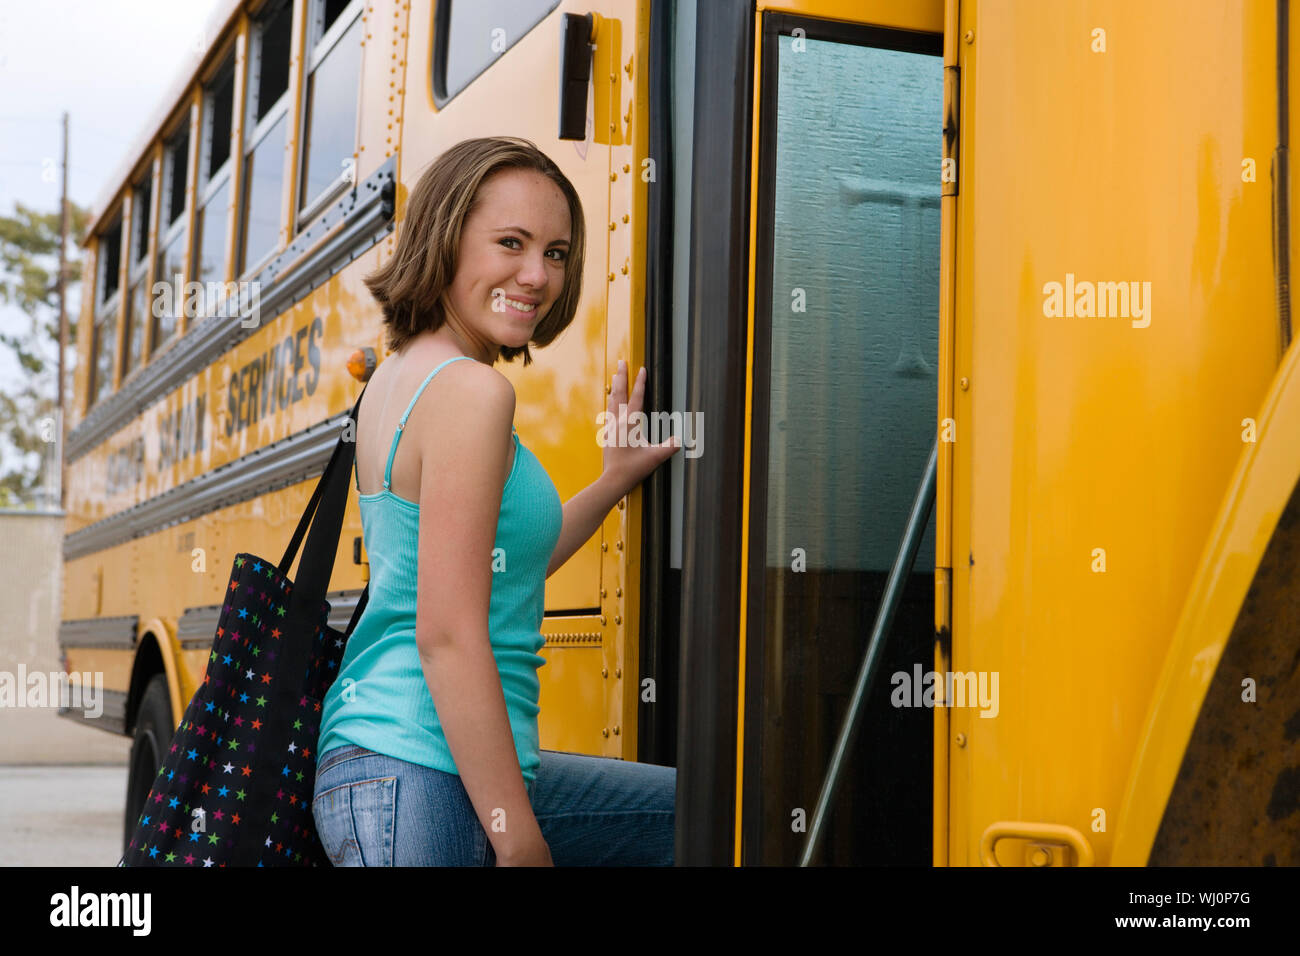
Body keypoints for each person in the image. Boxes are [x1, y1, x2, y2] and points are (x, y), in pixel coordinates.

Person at [312, 137, 680, 866]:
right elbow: (446, 634)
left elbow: (499, 567)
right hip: (423, 771)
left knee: (691, 815)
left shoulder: (401, 375)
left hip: (386, 769)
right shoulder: (474, 392)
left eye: (557, 252)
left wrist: (610, 481)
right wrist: (517, 840)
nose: (536, 275)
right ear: (445, 239)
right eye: (509, 243)